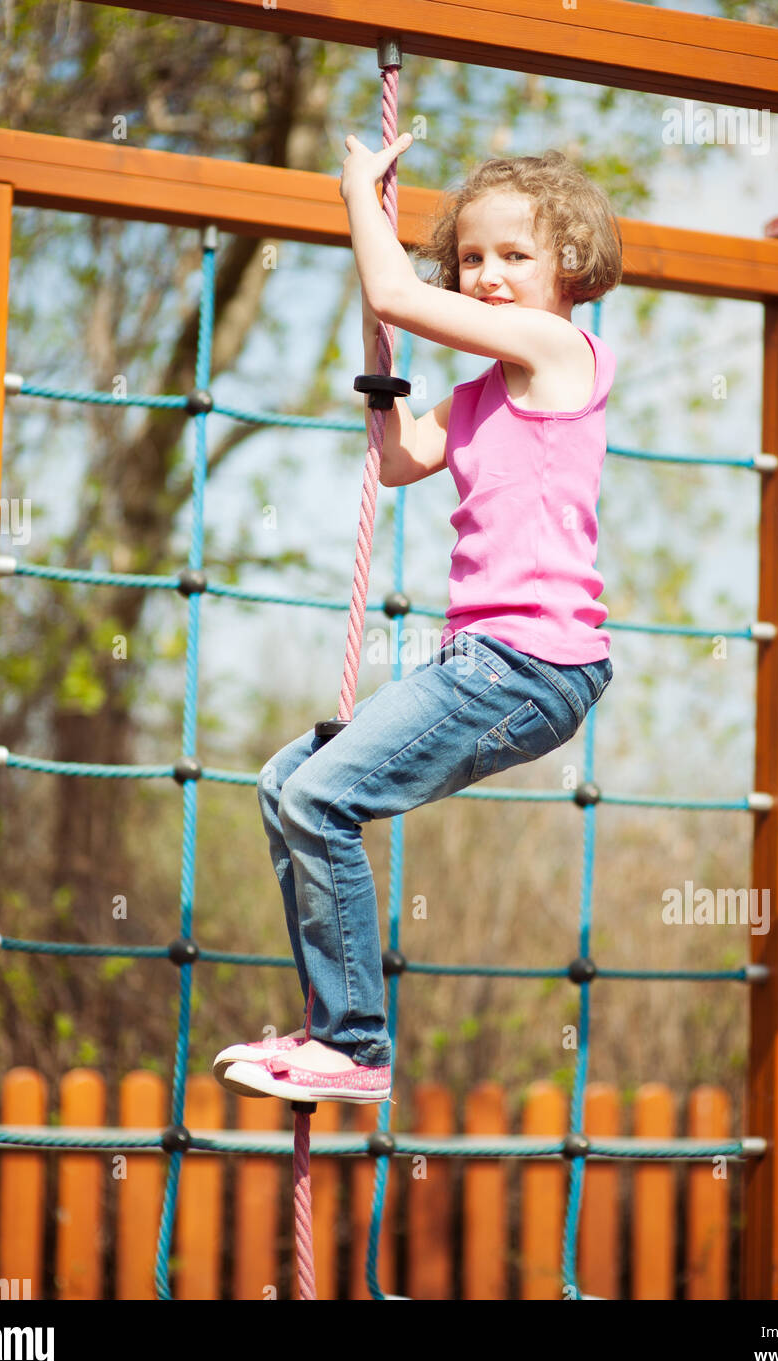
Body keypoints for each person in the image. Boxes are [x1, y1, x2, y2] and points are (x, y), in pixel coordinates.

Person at [214, 134, 623, 1104]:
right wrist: (376, 335)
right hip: (481, 660)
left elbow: (402, 293)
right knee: (286, 783)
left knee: (324, 799)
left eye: (513, 257)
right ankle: (331, 1029)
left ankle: (354, 1044)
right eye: (471, 258)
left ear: (569, 268)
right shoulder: (485, 391)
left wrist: (359, 196)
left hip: (529, 663)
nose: (486, 277)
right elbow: (398, 455)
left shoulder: (561, 350)